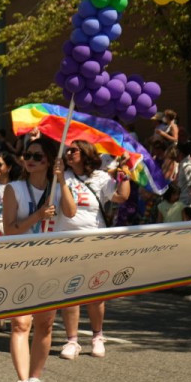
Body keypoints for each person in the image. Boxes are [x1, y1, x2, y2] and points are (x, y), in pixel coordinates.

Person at [54, 140, 130, 360]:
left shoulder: (100, 178)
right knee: (71, 290)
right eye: (68, 150)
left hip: (95, 241)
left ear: (86, 154)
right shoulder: (60, 176)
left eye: (74, 150)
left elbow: (121, 197)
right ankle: (72, 340)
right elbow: (66, 211)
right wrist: (58, 178)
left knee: (95, 291)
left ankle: (97, 336)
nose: (69, 153)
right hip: (66, 240)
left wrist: (124, 173)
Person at [2, 137, 59, 382]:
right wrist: (37, 216)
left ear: (49, 161)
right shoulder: (14, 189)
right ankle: (23, 381)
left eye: (38, 156)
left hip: (51, 262)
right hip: (20, 262)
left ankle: (36, 378)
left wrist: (62, 180)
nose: (30, 160)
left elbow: (70, 211)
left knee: (45, 323)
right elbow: (9, 230)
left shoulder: (57, 188)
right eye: (28, 155)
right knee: (20, 323)